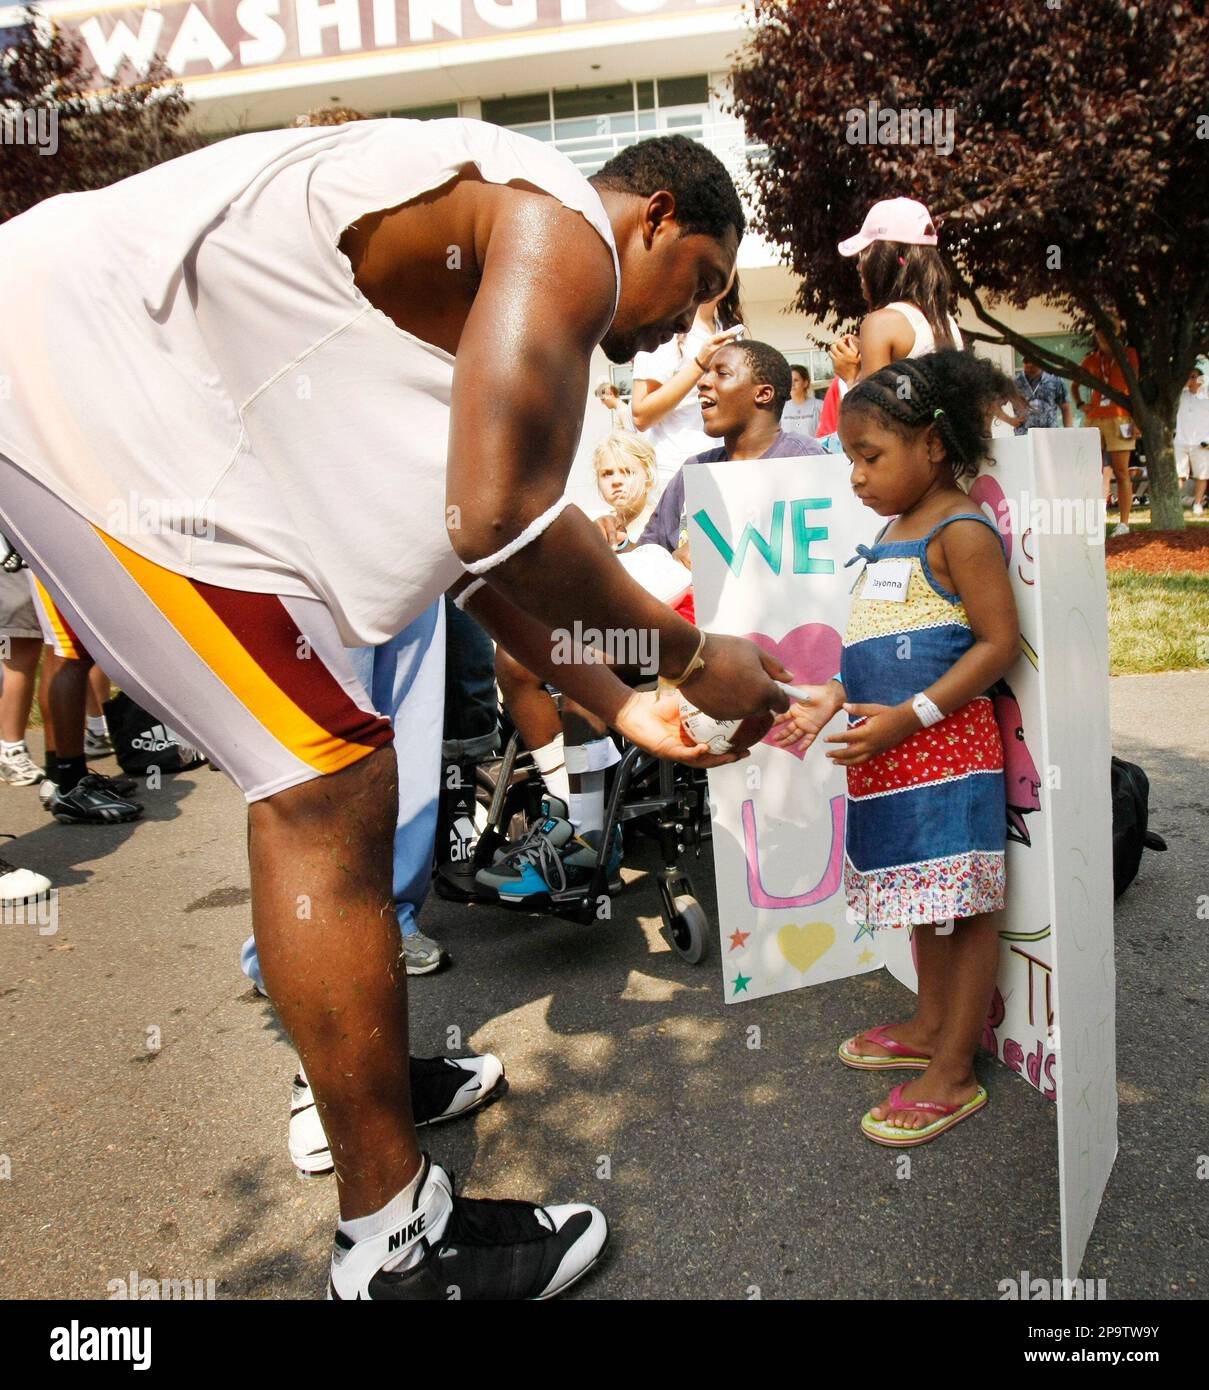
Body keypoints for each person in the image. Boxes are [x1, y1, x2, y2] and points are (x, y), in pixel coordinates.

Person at [0, 122, 791, 1300]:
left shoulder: (484, 284)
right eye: (703, 286)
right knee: (326, 779)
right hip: (75, 380)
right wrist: (696, 654)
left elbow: (480, 561)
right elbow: (501, 519)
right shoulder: (562, 225)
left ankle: (361, 1081)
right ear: (660, 214)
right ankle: (390, 1234)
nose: (688, 325)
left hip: (93, 371)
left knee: (333, 774)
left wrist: (627, 706)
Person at [772, 350, 1022, 1147]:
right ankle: (925, 1022)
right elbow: (883, 638)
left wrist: (911, 715)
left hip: (944, 759)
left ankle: (953, 1066)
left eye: (869, 456)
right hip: (887, 760)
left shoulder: (960, 530)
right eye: (849, 458)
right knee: (921, 901)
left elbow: (995, 644)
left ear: (934, 447)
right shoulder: (892, 530)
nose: (855, 475)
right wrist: (831, 698)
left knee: (958, 906)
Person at [639, 340, 825, 566]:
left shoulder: (807, 460)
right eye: (706, 372)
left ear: (763, 393)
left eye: (722, 373)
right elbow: (648, 557)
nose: (703, 382)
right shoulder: (694, 471)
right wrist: (618, 541)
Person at [829, 197, 963, 396]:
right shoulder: (946, 324)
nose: (859, 266)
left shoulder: (881, 323)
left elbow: (873, 420)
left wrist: (852, 376)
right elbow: (908, 393)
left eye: (865, 254)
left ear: (884, 260)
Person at [631, 275, 745, 491]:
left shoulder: (729, 329)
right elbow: (641, 415)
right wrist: (699, 363)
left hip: (724, 472)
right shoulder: (665, 327)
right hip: (675, 475)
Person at [1073, 328, 1140, 537]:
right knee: (1089, 470)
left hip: (1121, 417)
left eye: (1109, 328)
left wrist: (1136, 420)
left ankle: (1124, 523)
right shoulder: (1091, 360)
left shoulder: (1128, 354)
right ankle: (1092, 520)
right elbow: (1074, 385)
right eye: (1100, 330)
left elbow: (1135, 388)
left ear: (1118, 331)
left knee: (1121, 472)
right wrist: (1080, 404)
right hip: (1094, 418)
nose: (1103, 334)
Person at [0, 565, 46, 787]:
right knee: (18, 656)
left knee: (74, 648)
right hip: (10, 565)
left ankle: (97, 728)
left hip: (30, 562)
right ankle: (10, 750)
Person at [1176, 366, 1209, 515]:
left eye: (1194, 376)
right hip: (1181, 439)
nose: (1191, 379)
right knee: (1179, 473)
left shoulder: (1206, 395)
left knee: (1202, 474)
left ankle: (1197, 503)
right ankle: (1175, 502)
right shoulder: (1181, 394)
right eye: (1190, 376)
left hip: (1201, 440)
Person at [1013, 359, 1072, 434]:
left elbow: (1066, 409)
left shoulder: (1055, 380)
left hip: (1050, 435)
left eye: (1033, 361)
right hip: (1023, 437)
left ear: (1041, 361)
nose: (1029, 364)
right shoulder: (1014, 382)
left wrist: (1068, 433)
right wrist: (1009, 420)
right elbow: (995, 404)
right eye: (1026, 361)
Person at [780, 364, 821, 437]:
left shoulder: (819, 406)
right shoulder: (780, 408)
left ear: (805, 383)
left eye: (796, 380)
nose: (792, 384)